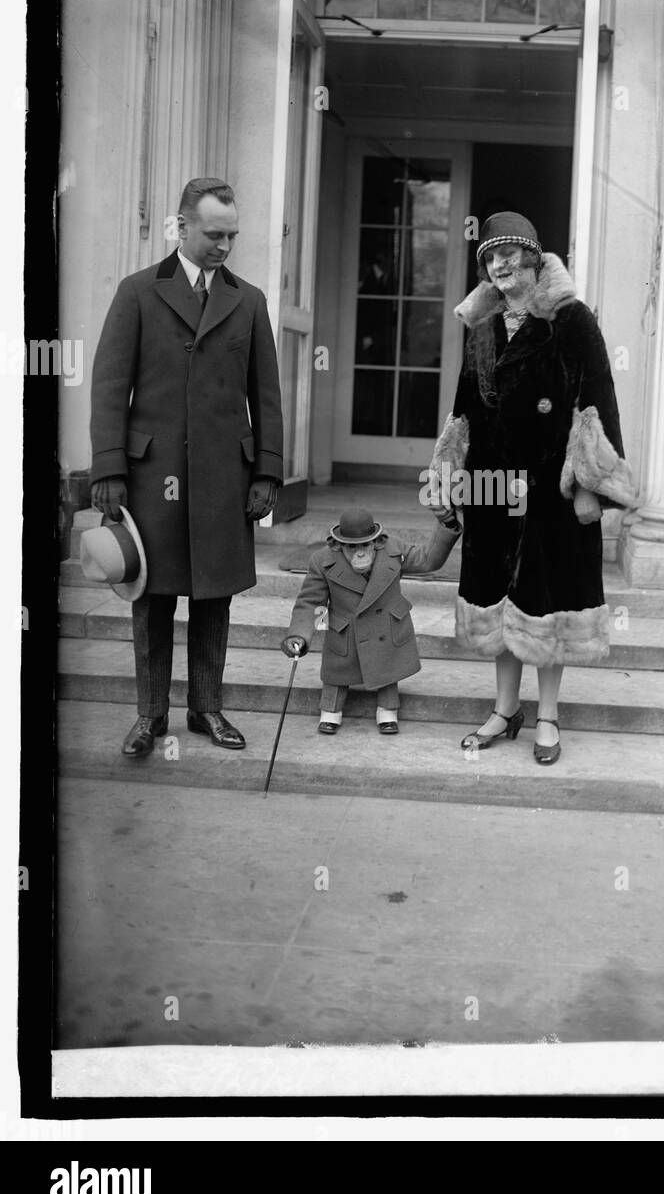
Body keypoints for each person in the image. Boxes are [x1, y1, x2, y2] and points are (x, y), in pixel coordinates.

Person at [429, 211, 634, 764]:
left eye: (508, 254)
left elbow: (597, 400)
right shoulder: (483, 329)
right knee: (497, 597)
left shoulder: (572, 320)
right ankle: (503, 710)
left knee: (549, 602)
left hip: (551, 488)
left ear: (534, 259)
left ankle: (546, 716)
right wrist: (450, 474)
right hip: (493, 484)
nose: (498, 265)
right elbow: (463, 408)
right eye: (489, 258)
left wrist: (590, 480)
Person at [89, 177, 284, 757]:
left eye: (232, 236)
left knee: (213, 596)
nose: (225, 246)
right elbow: (107, 388)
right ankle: (150, 717)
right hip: (153, 477)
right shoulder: (138, 292)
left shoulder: (248, 300)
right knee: (152, 598)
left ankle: (207, 710)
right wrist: (108, 470)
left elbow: (265, 394)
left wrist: (267, 472)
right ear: (182, 226)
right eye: (214, 234)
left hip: (226, 477)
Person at [281, 507, 461, 735]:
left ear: (376, 541)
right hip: (344, 628)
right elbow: (310, 601)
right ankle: (330, 711)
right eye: (352, 547)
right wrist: (300, 635)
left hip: (386, 626)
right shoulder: (322, 560)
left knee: (386, 663)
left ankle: (387, 710)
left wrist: (447, 525)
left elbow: (427, 560)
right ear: (338, 545)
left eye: (365, 545)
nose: (360, 553)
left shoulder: (394, 552)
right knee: (336, 671)